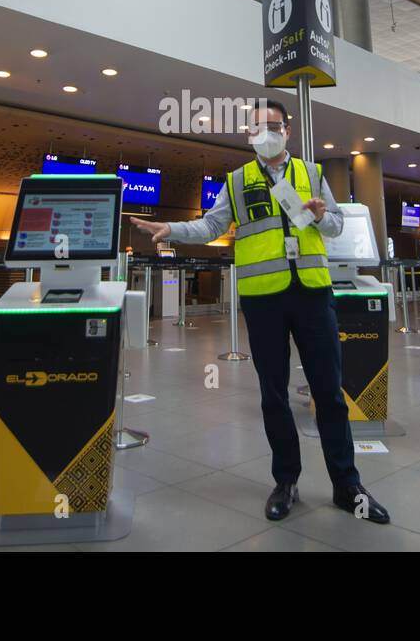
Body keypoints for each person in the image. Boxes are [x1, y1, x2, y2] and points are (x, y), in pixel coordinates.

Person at [130, 100, 390, 524]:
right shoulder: (237, 180)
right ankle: (286, 481)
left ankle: (348, 485)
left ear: (287, 131)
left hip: (312, 294)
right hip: (263, 298)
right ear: (249, 135)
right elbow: (211, 226)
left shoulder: (313, 173)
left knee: (329, 393)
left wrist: (323, 218)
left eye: (273, 126)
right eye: (257, 128)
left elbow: (337, 225)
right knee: (274, 395)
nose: (265, 134)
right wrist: (172, 229)